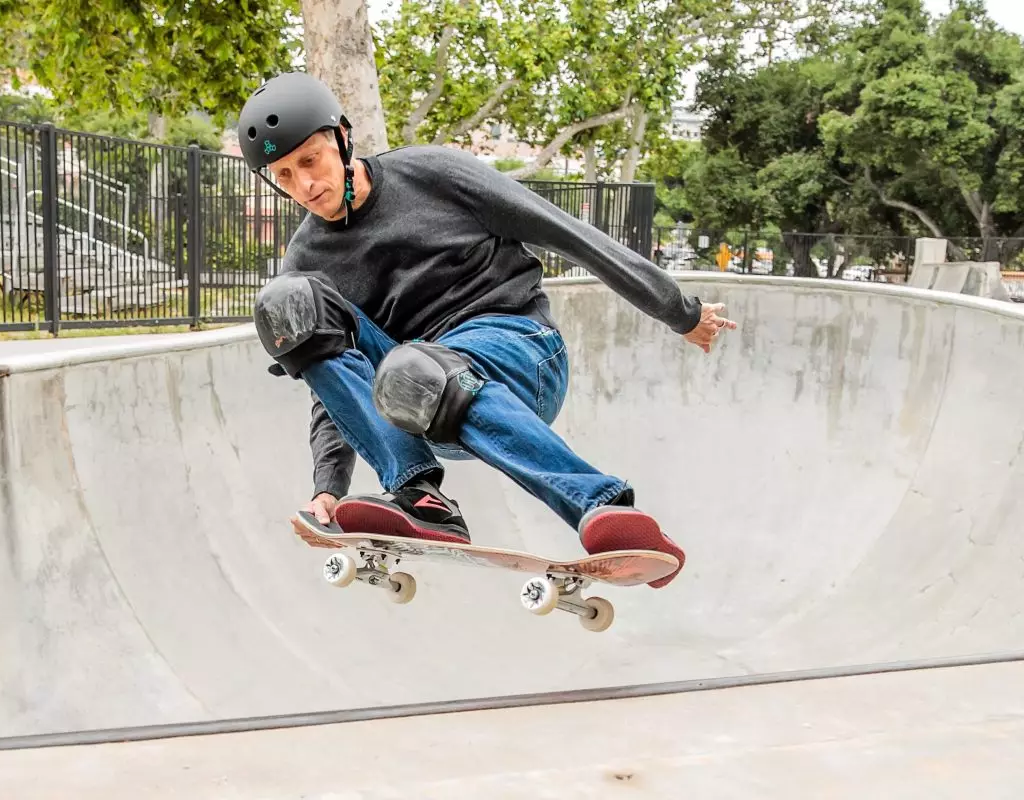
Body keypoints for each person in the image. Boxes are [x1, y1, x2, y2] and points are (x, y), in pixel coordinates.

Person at [237, 72, 735, 587]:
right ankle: (421, 497)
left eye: (310, 161)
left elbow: (569, 234)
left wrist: (680, 311)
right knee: (287, 303)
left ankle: (601, 505)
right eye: (285, 176)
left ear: (341, 136)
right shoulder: (308, 257)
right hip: (417, 396)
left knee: (414, 365)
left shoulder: (432, 174)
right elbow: (334, 382)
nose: (305, 186)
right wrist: (328, 485)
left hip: (521, 351)